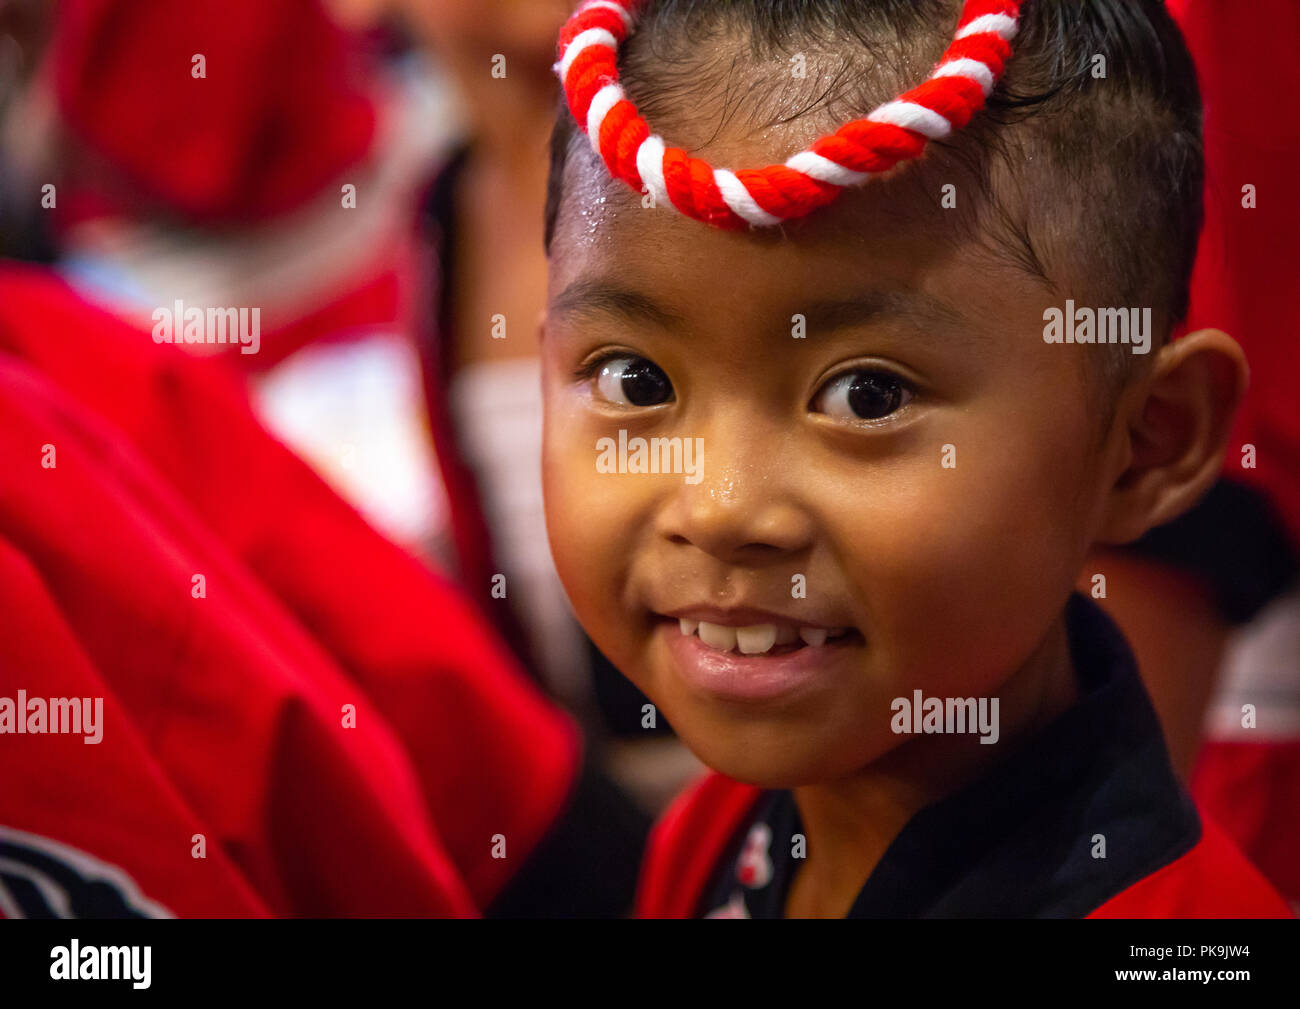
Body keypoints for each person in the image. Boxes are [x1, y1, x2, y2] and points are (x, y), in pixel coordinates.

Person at [538, 0, 1291, 917]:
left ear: (1143, 447)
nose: (720, 506)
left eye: (869, 396)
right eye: (636, 379)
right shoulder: (721, 831)